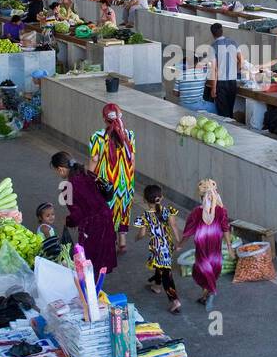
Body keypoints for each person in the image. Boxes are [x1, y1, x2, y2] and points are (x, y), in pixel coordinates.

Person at [49, 151, 118, 278]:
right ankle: (97, 286)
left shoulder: (67, 187)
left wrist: (68, 221)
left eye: (56, 170)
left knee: (90, 259)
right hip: (106, 217)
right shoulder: (86, 173)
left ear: (60, 169)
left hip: (93, 225)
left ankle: (92, 291)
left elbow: (77, 215)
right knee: (102, 256)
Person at [88, 103, 136, 252]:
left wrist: (89, 178)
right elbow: (132, 159)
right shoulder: (129, 135)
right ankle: (122, 239)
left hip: (106, 180)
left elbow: (94, 160)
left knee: (106, 209)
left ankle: (109, 240)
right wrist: (129, 178)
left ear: (104, 118)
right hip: (126, 179)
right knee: (123, 208)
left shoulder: (97, 137)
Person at [179, 178, 231, 310]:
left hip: (202, 247)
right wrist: (229, 247)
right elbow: (225, 229)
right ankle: (205, 296)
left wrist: (180, 244)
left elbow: (188, 232)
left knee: (200, 271)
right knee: (211, 271)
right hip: (215, 246)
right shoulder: (222, 210)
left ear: (200, 196)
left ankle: (212, 291)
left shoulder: (196, 212)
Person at [133, 185, 183, 315]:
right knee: (160, 266)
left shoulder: (145, 216)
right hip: (168, 245)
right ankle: (156, 285)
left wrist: (136, 238)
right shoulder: (168, 211)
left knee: (166, 273)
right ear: (161, 197)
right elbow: (174, 226)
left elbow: (142, 234)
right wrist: (178, 242)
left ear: (144, 200)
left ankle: (174, 300)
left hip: (157, 248)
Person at [200, 22, 245, 118]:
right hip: (233, 82)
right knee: (230, 109)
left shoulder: (213, 47)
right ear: (222, 31)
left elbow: (214, 69)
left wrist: (213, 88)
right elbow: (241, 60)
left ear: (212, 34)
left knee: (223, 113)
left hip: (221, 83)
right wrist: (236, 71)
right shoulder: (233, 42)